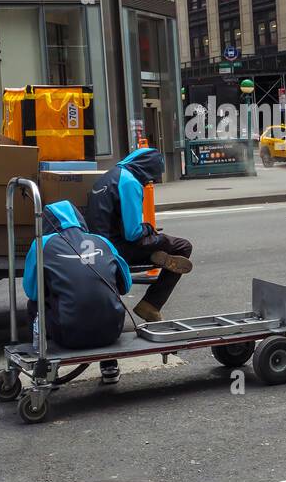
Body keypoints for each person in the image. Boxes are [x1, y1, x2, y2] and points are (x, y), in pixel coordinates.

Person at [22, 201, 132, 385]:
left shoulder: (42, 244)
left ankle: (48, 372)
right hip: (113, 331)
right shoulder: (101, 240)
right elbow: (125, 285)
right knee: (104, 292)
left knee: (35, 305)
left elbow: (32, 291)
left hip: (68, 335)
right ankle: (109, 367)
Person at [84, 148, 193, 324]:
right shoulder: (129, 182)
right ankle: (151, 304)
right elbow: (133, 233)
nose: (148, 182)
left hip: (98, 245)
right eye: (150, 177)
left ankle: (155, 255)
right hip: (118, 249)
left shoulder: (109, 175)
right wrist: (149, 229)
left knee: (161, 243)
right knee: (183, 246)